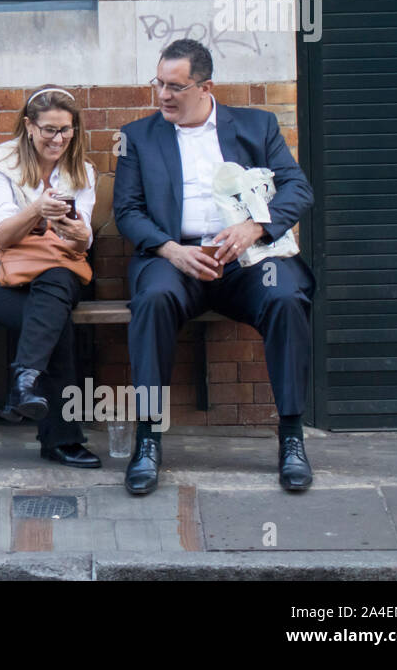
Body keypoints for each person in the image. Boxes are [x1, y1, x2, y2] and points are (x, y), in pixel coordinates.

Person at [112, 39, 316, 495]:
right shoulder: (138, 137)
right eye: (158, 83)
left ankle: (292, 437)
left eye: (175, 87)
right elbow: (127, 211)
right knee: (154, 298)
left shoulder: (255, 127)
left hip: (246, 262)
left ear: (206, 87)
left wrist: (255, 228)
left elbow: (297, 189)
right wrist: (169, 249)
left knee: (285, 296)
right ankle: (146, 440)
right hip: (176, 259)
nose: (163, 95)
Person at [0, 86, 101, 468]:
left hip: (55, 262)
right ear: (29, 127)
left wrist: (76, 230)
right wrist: (38, 208)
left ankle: (25, 382)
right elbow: (2, 236)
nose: (58, 139)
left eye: (66, 130)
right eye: (50, 130)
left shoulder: (82, 171)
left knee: (55, 285)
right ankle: (62, 438)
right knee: (54, 322)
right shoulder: (1, 163)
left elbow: (83, 238)